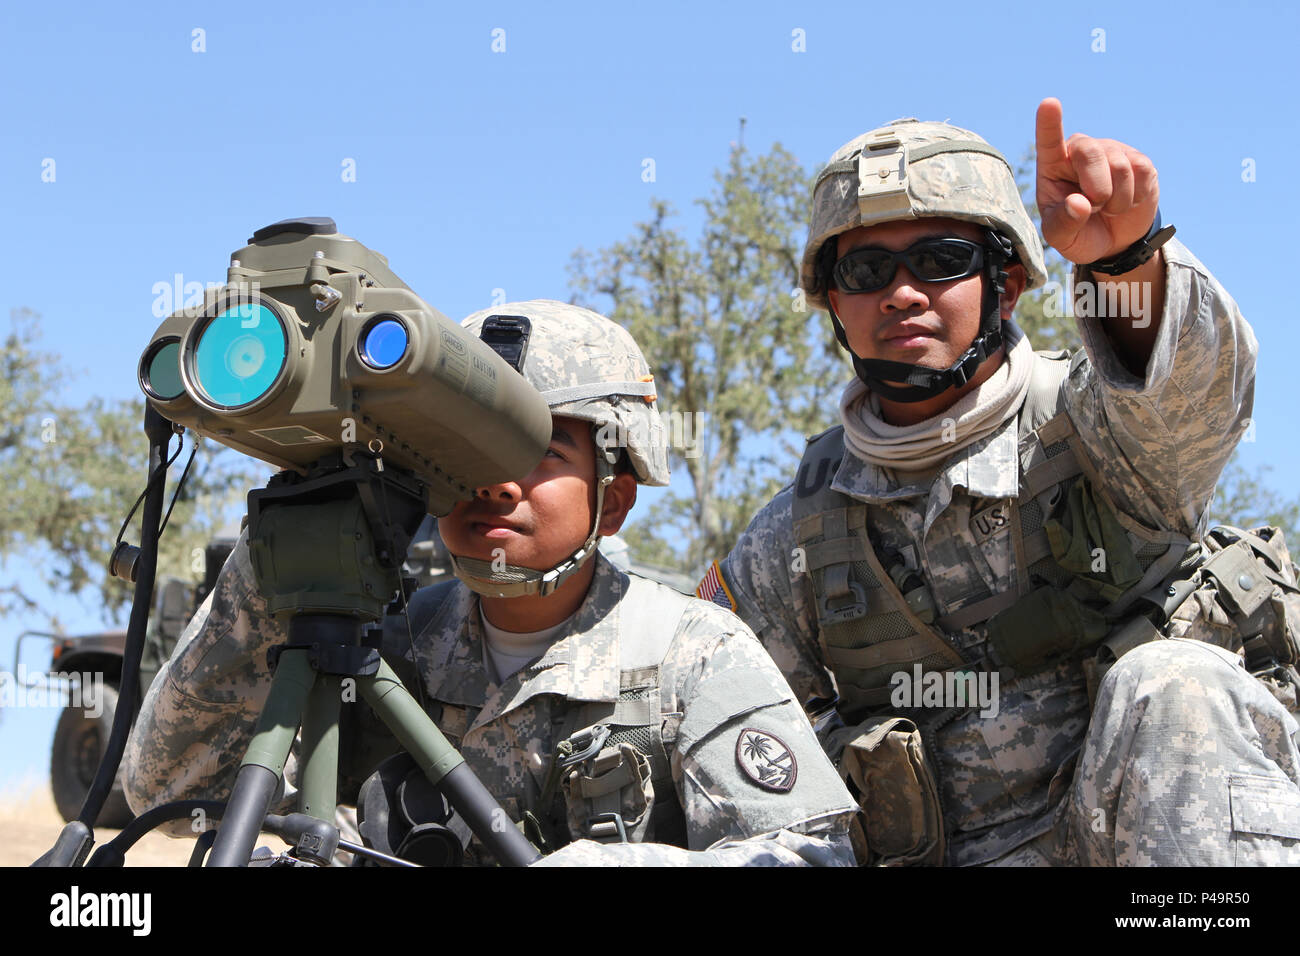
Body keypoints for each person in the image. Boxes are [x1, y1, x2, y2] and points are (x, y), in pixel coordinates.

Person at [702, 99, 1300, 866]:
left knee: (1176, 683)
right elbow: (716, 727)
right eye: (865, 269)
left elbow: (1193, 398)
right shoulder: (796, 536)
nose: (902, 292)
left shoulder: (1090, 428)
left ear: (1007, 284)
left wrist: (1127, 267)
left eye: (942, 259)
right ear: (834, 306)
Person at [124, 298, 858, 866]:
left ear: (616, 499)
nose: (500, 483)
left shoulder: (690, 651)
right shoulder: (385, 641)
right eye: (468, 448)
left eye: (542, 451)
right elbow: (172, 792)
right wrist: (272, 567)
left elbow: (813, 853)